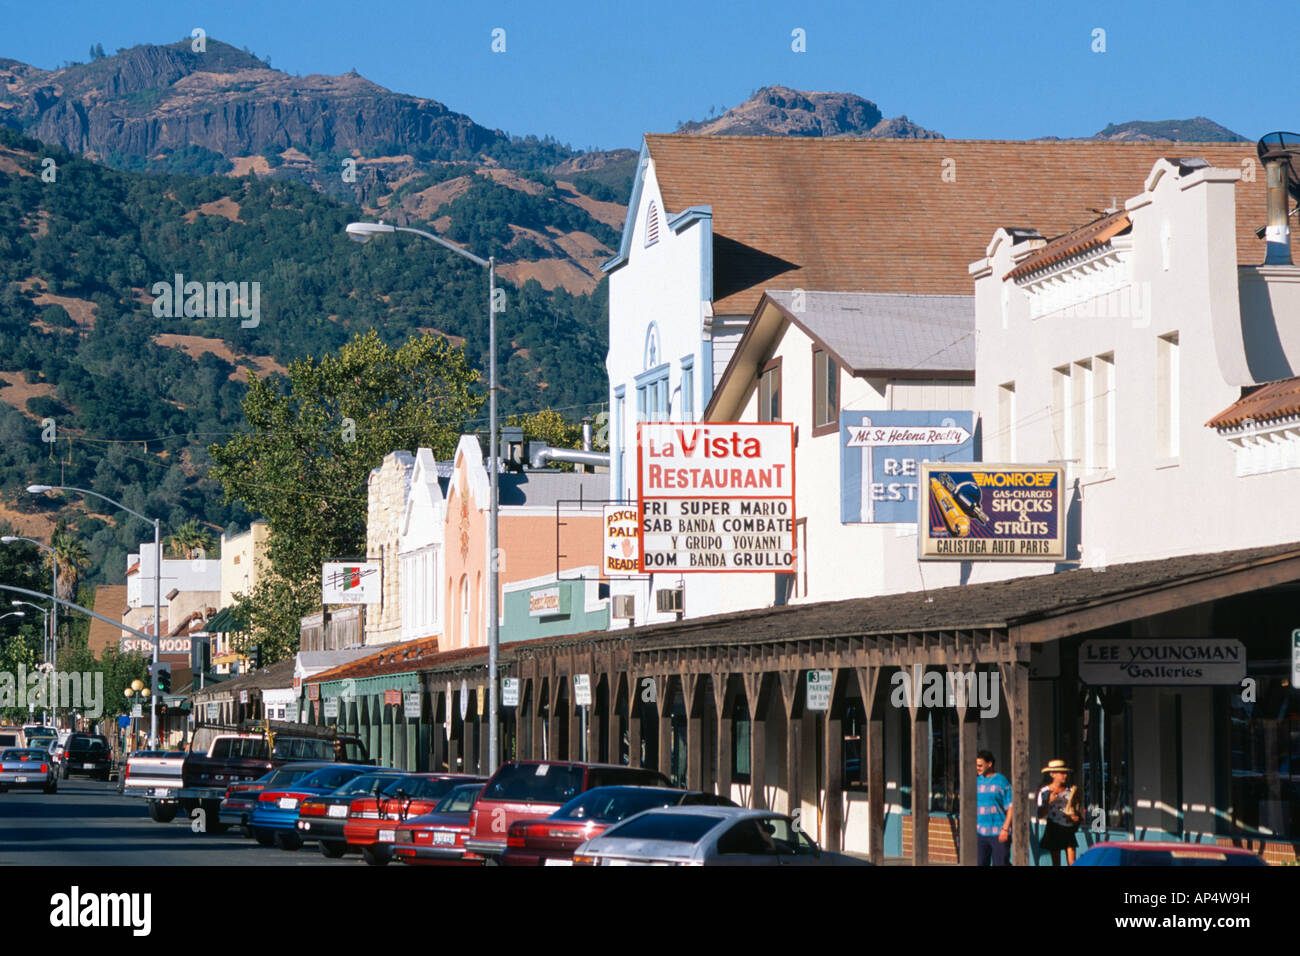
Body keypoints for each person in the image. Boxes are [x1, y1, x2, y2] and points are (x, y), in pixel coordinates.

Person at [1036, 759, 1083, 866]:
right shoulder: (1044, 792)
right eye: (1061, 773)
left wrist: (1077, 817)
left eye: (1065, 773)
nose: (1065, 776)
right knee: (1056, 862)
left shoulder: (1071, 790)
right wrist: (1048, 802)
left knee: (1072, 862)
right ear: (1053, 774)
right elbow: (1040, 814)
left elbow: (1077, 809)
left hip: (1068, 827)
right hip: (1054, 827)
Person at [975, 750, 1013, 865]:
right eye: (976, 765)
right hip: (980, 832)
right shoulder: (976, 781)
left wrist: (1005, 829)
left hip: (998, 832)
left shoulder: (1001, 781)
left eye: (980, 765)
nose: (978, 768)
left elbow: (1011, 807)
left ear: (990, 764)